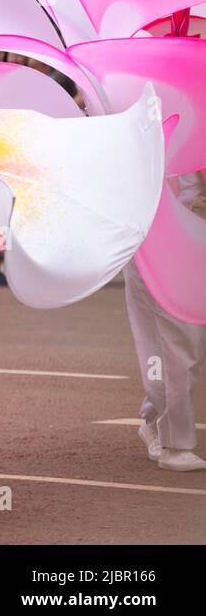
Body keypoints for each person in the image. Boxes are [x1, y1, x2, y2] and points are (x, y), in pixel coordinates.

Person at [126, 171, 206, 472]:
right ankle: (175, 442)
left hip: (193, 231)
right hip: (157, 235)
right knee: (177, 340)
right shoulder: (140, 125)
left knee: (181, 342)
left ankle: (155, 420)